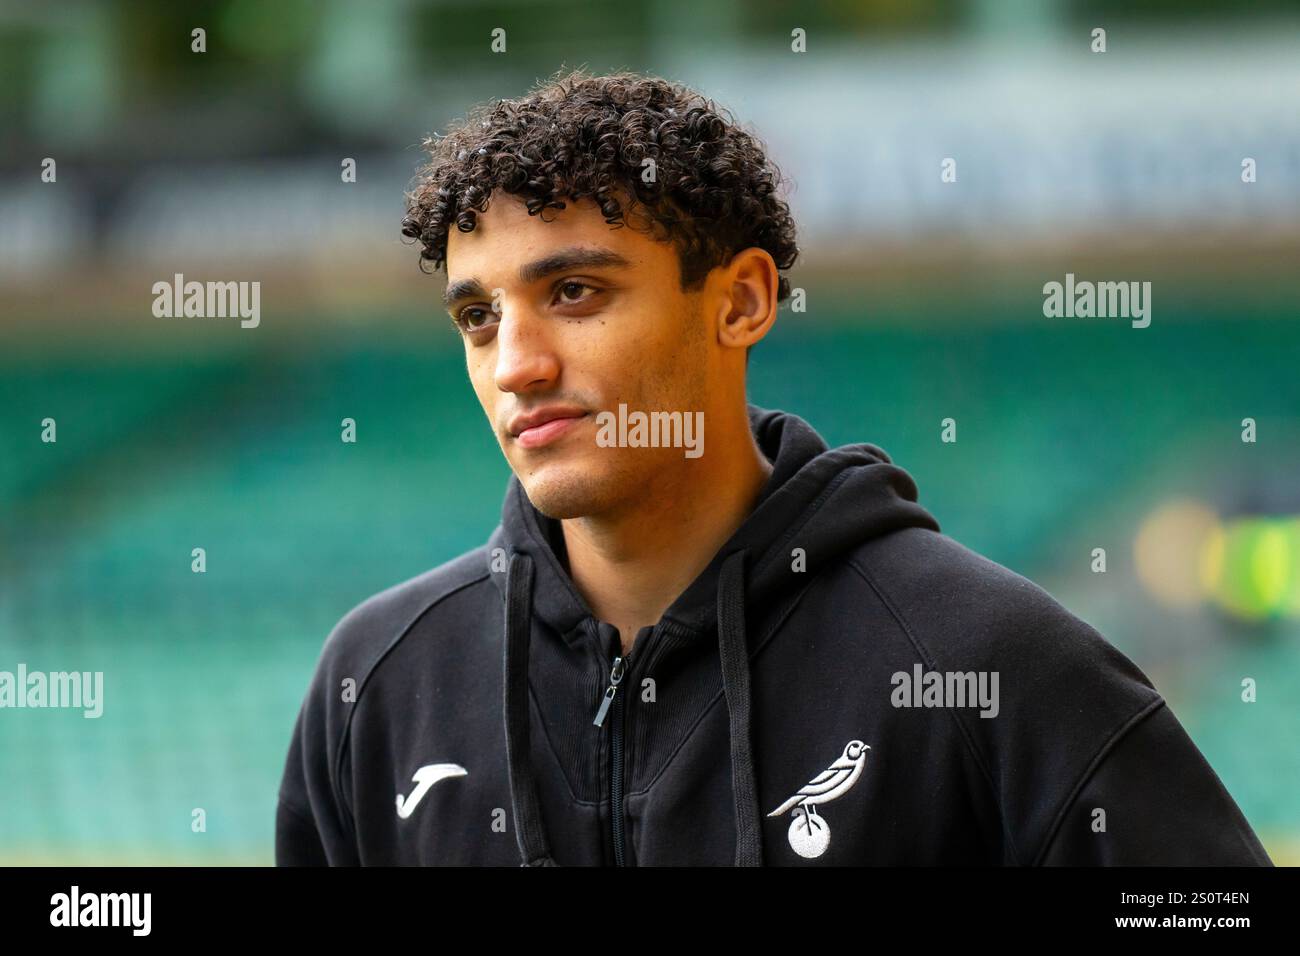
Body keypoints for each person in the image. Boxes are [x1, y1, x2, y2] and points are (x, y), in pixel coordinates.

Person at [275, 68, 1272, 866]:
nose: (515, 364)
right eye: (476, 316)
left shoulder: (989, 663)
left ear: (742, 301)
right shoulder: (380, 683)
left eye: (574, 291)